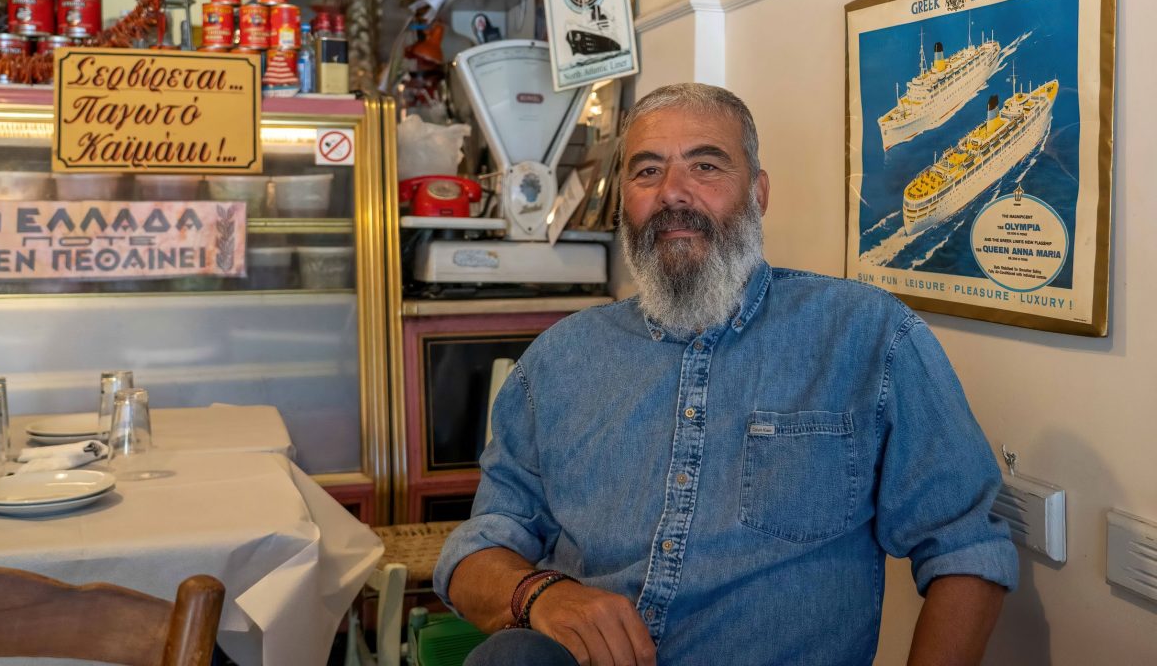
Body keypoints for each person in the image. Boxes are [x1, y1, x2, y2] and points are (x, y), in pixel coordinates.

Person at [435, 83, 1017, 666]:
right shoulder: (559, 361)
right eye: (646, 172)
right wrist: (538, 593)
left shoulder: (865, 337)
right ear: (624, 203)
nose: (672, 194)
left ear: (758, 193)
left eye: (706, 166)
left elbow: (964, 547)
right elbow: (476, 550)